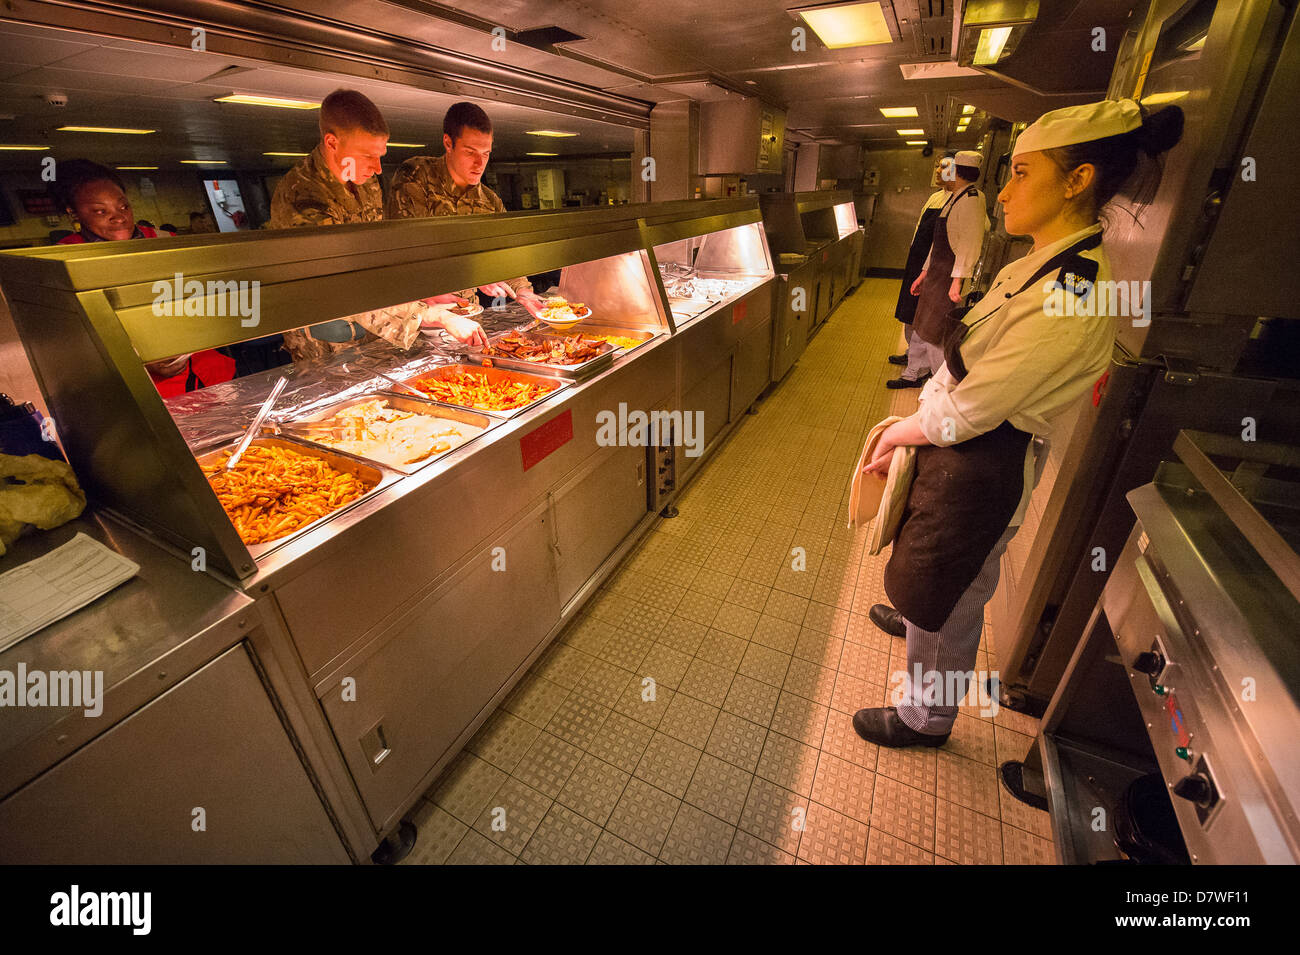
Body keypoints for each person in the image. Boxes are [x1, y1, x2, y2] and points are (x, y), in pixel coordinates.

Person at [854, 99, 1184, 748]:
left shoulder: (1073, 289)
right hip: (959, 448)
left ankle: (926, 717)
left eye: (1023, 173)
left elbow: (975, 409)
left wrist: (898, 432)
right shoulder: (1047, 260)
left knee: (957, 598)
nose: (1004, 190)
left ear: (1078, 179)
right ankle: (919, 608)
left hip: (983, 462)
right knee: (935, 578)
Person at [268, 88, 486, 361]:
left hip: (377, 332)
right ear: (332, 142)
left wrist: (420, 296)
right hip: (325, 344)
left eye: (380, 155)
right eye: (368, 155)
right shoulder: (302, 197)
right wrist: (429, 315)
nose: (378, 168)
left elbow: (376, 261)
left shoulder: (367, 181)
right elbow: (339, 284)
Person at [52, 160, 236, 396]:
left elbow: (207, 299)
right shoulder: (65, 259)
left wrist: (188, 341)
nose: (118, 218)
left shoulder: (165, 241)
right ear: (73, 212)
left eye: (123, 207)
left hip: (202, 370)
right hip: (128, 387)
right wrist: (141, 355)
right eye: (101, 211)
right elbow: (72, 337)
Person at [386, 102, 544, 315]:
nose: (480, 163)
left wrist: (523, 291)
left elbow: (505, 255)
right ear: (448, 142)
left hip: (466, 314)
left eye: (486, 153)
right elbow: (410, 252)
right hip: (417, 315)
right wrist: (476, 275)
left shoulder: (490, 201)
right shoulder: (415, 176)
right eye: (470, 152)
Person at [888, 150, 989, 389]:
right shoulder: (952, 197)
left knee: (935, 330)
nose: (938, 172)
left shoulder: (972, 199)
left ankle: (937, 381)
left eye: (943, 168)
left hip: (948, 275)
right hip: (934, 271)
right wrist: (923, 272)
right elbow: (936, 243)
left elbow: (971, 240)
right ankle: (913, 372)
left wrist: (957, 279)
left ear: (956, 172)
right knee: (921, 323)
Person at [888, 157, 953, 368]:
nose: (937, 171)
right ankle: (912, 354)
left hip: (935, 266)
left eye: (942, 167)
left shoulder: (960, 200)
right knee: (909, 311)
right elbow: (919, 227)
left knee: (925, 315)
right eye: (936, 166)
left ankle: (921, 364)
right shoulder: (935, 197)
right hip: (917, 261)